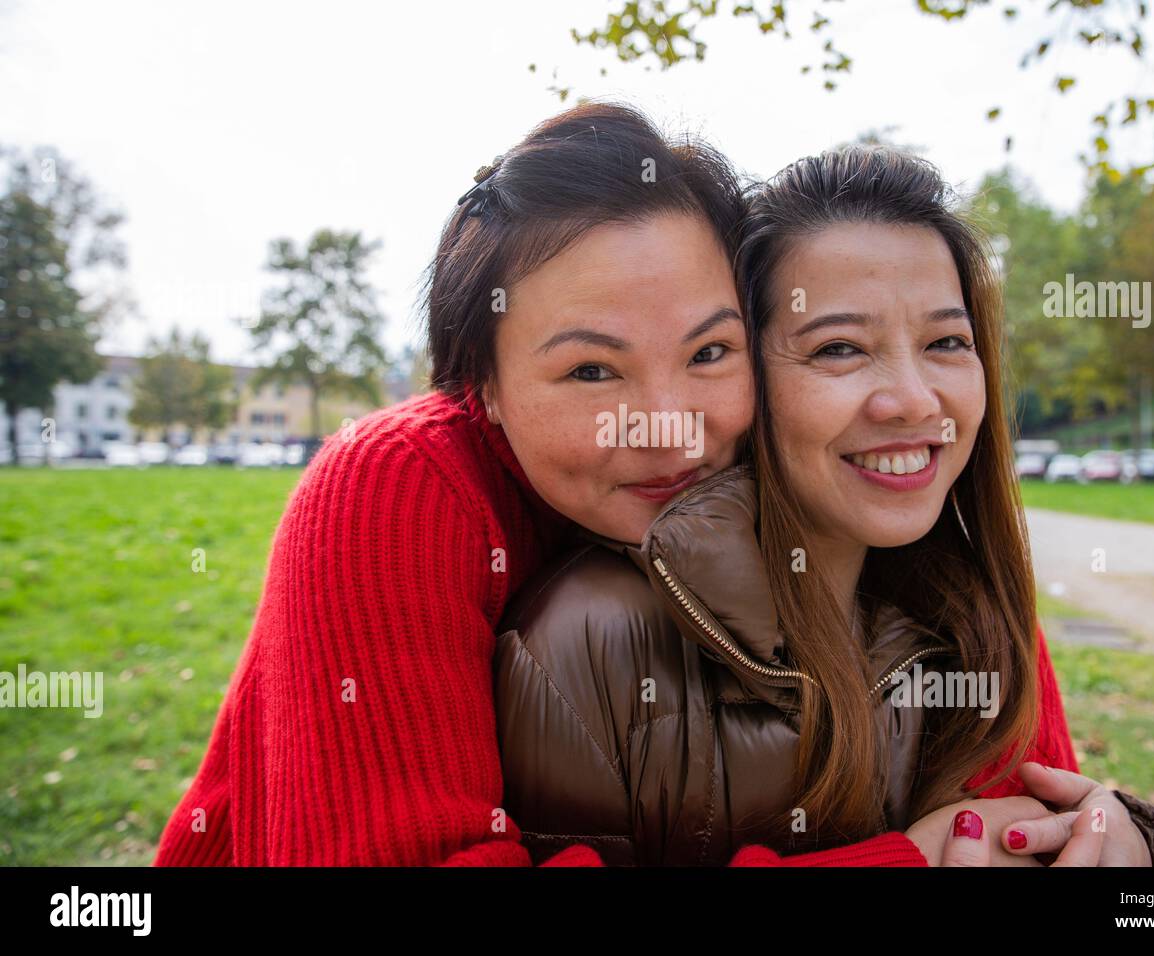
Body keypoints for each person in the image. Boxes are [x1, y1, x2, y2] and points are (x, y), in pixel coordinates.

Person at [494, 146, 1154, 866]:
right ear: (745, 376)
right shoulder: (587, 643)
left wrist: (1141, 847)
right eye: (839, 349)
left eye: (946, 342)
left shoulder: (969, 614)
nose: (913, 400)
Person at [154, 101, 760, 865]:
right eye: (591, 370)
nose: (667, 424)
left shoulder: (776, 459)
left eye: (709, 353)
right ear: (485, 385)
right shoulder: (396, 485)